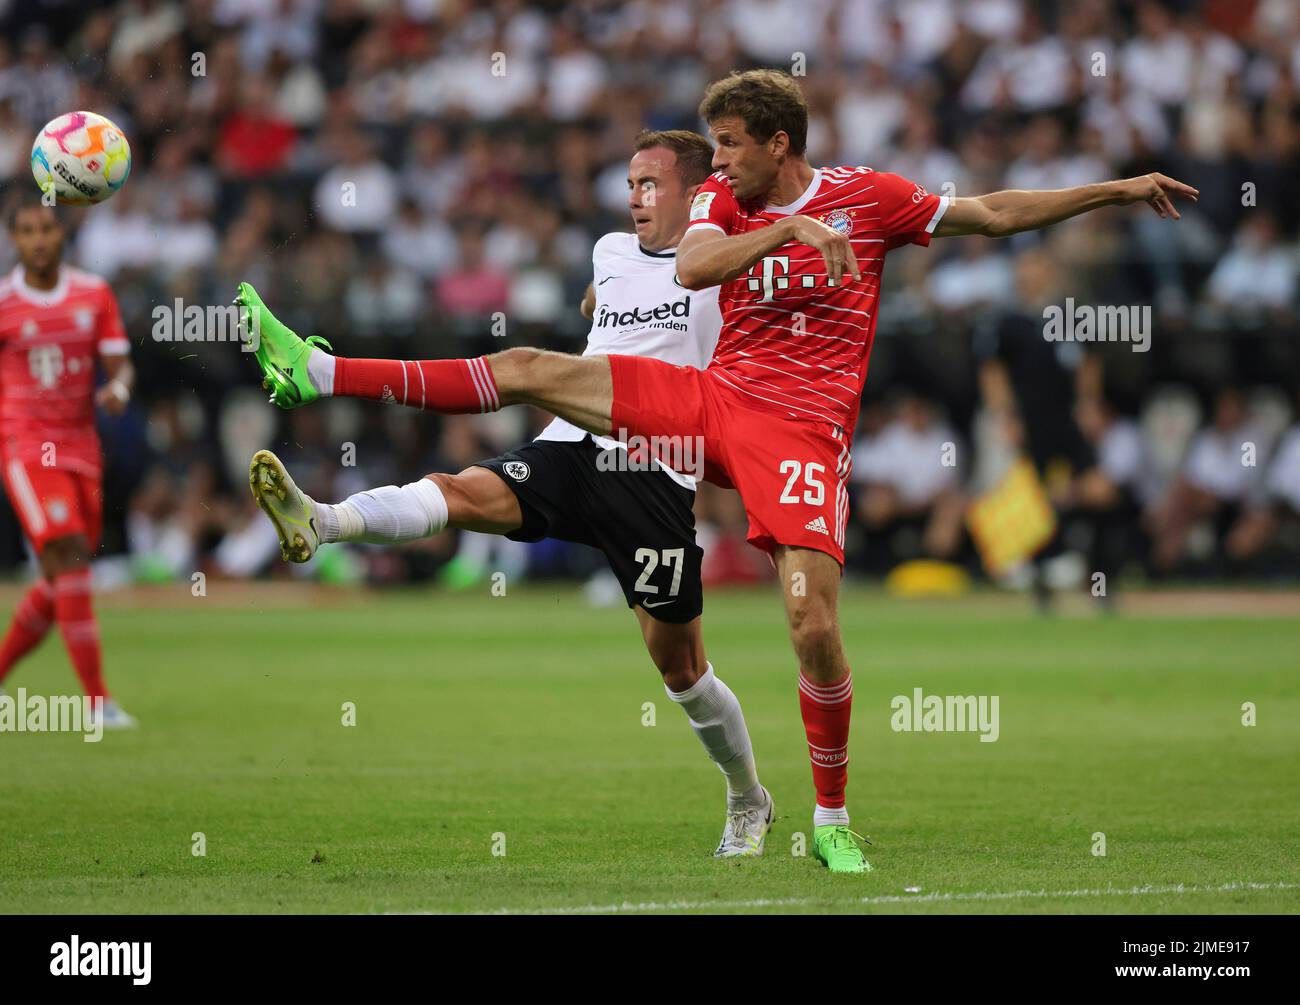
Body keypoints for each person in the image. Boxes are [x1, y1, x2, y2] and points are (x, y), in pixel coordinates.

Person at [239, 69, 1197, 873]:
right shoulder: (721, 202)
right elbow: (697, 269)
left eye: (733, 142)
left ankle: (827, 821)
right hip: (712, 405)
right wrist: (782, 233)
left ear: (780, 142)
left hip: (801, 433)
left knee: (809, 619)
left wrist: (1110, 191)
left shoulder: (871, 199)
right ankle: (317, 369)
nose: (720, 159)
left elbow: (990, 212)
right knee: (534, 369)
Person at [246, 130, 774, 857]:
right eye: (629, 182)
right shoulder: (609, 253)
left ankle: (748, 795)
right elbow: (604, 304)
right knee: (460, 489)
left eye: (650, 183)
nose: (633, 197)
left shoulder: (723, 260)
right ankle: (324, 519)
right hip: (571, 444)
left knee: (682, 671)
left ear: (695, 191)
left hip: (654, 466)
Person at [0, 198, 136, 727]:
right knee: (70, 552)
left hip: (81, 450)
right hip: (25, 446)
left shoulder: (93, 293)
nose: (38, 239)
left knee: (66, 577)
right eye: (27, 230)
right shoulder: (4, 302)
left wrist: (119, 389)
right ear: (15, 239)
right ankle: (98, 702)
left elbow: (120, 367)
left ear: (63, 234)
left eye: (47, 229)